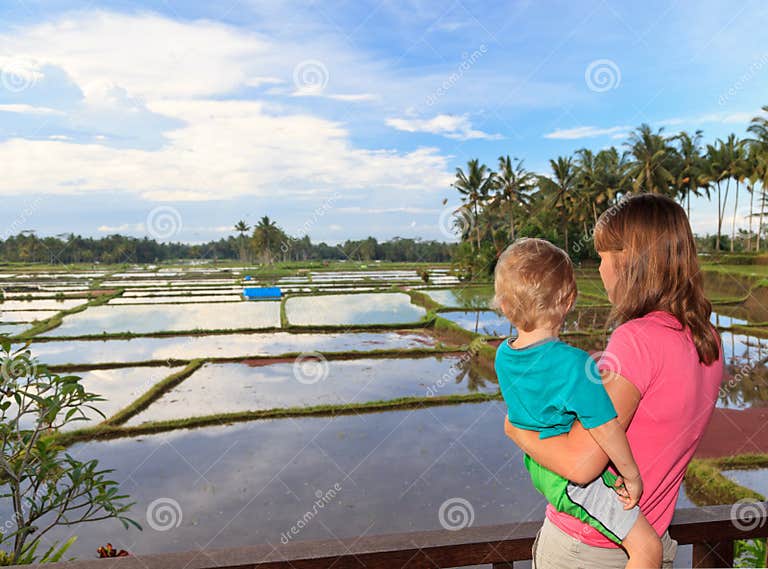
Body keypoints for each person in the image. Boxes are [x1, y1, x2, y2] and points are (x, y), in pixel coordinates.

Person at [504, 194, 724, 568]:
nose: (600, 267)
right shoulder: (708, 341)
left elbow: (582, 464)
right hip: (652, 537)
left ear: (628, 259)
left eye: (604, 254)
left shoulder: (638, 340)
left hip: (589, 549)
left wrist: (514, 428)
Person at [492, 237, 661, 569]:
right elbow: (605, 426)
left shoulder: (503, 355)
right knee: (648, 547)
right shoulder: (573, 365)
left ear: (504, 305)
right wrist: (631, 474)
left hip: (540, 467)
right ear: (568, 300)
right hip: (571, 483)